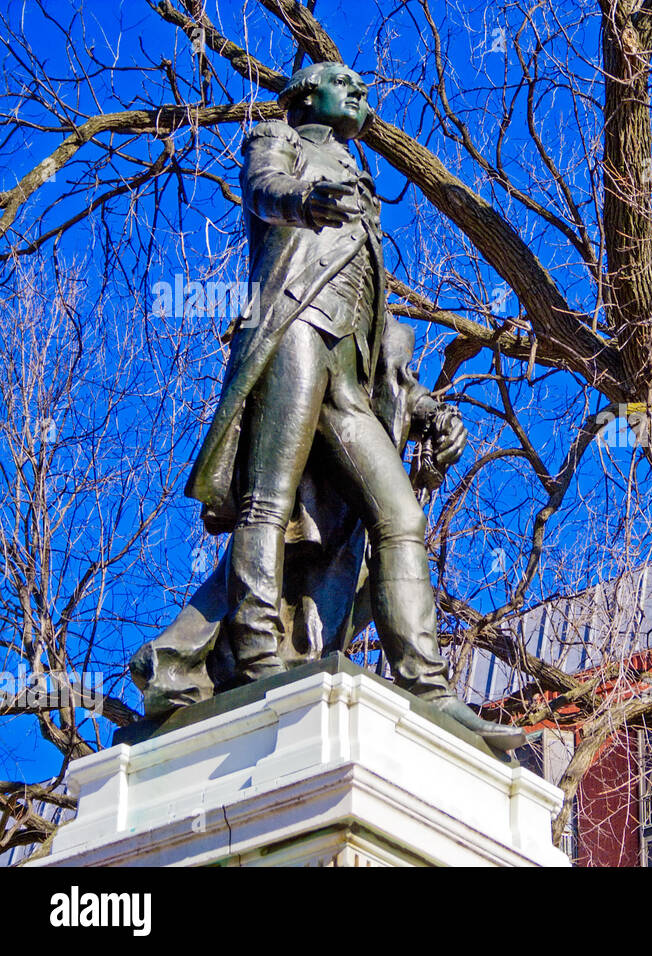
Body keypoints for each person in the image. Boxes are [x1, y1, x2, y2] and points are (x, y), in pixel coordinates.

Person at [130, 62, 523, 751]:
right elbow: (264, 191)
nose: (362, 89)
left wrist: (424, 405)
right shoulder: (276, 138)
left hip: (351, 373)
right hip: (294, 332)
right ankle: (259, 655)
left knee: (399, 516)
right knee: (268, 503)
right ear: (309, 94)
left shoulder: (361, 182)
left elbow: (379, 332)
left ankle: (426, 684)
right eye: (344, 80)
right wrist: (305, 199)